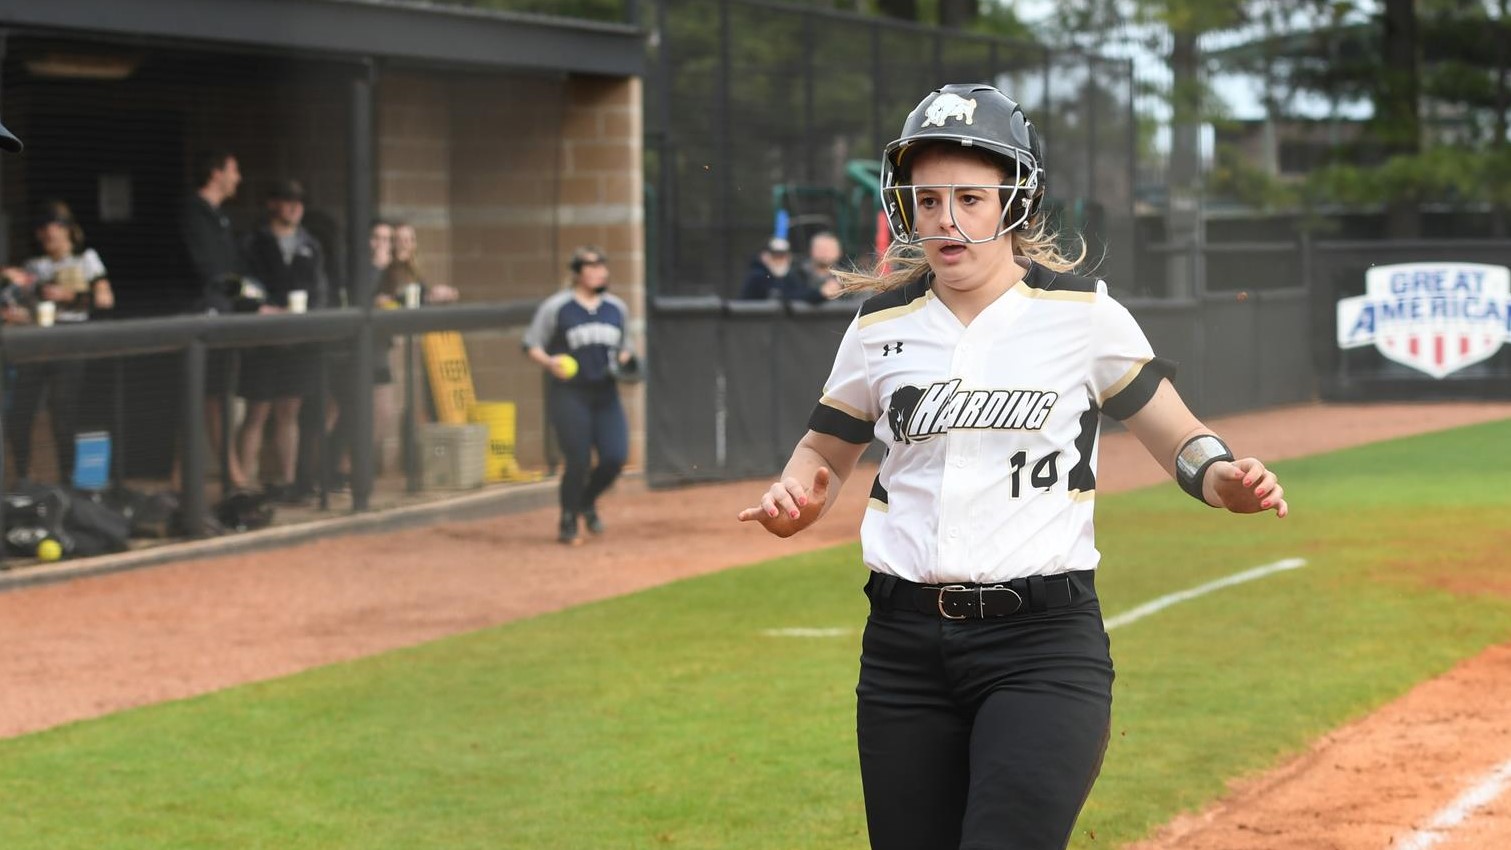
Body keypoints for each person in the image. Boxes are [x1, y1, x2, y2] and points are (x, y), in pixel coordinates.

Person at [736, 83, 1290, 850]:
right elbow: (822, 452)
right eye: (926, 199)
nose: (945, 219)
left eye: (969, 197)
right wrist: (798, 494)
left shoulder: (1081, 315)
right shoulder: (879, 326)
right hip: (901, 651)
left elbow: (1178, 437)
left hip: (1041, 647)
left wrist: (1224, 478)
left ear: (1013, 201)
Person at [522, 246, 635, 545]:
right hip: (570, 394)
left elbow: (627, 346)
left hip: (606, 394)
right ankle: (568, 518)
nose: (600, 271)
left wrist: (625, 357)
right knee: (578, 461)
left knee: (614, 457)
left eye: (602, 266)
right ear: (577, 273)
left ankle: (586, 500)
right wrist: (549, 362)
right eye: (591, 266)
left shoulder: (616, 308)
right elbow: (531, 344)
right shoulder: (558, 307)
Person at [0, 202, 116, 484]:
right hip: (37, 341)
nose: (44, 235)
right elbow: (22, 304)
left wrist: (68, 296)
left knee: (63, 411)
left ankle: (69, 479)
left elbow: (105, 299)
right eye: (40, 230)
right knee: (21, 412)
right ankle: (24, 477)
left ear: (65, 228)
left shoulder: (85, 258)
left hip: (70, 340)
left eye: (49, 228)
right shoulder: (34, 266)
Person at [238, 179, 328, 504]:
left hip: (298, 340)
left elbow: (319, 289)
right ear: (272, 204)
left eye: (299, 202)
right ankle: (242, 485)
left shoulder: (310, 245)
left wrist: (311, 318)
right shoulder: (254, 241)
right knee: (257, 411)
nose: (294, 207)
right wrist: (261, 307)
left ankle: (287, 481)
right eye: (287, 201)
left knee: (289, 410)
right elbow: (243, 285)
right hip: (263, 339)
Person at [179, 149, 253, 490]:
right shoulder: (193, 213)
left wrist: (249, 298)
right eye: (234, 170)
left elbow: (232, 270)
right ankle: (195, 478)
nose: (237, 178)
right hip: (199, 318)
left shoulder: (219, 216)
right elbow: (208, 270)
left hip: (224, 317)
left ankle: (225, 474)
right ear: (216, 172)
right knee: (199, 397)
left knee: (217, 396)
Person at [738, 236, 825, 303]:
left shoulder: (792, 277)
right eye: (775, 256)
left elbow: (798, 293)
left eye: (783, 256)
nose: (779, 260)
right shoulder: (757, 277)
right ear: (765, 257)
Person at [800, 230, 847, 300]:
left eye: (829, 249)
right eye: (820, 249)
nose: (824, 252)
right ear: (811, 250)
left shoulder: (847, 278)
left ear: (839, 252)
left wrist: (841, 289)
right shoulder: (798, 275)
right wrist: (820, 293)